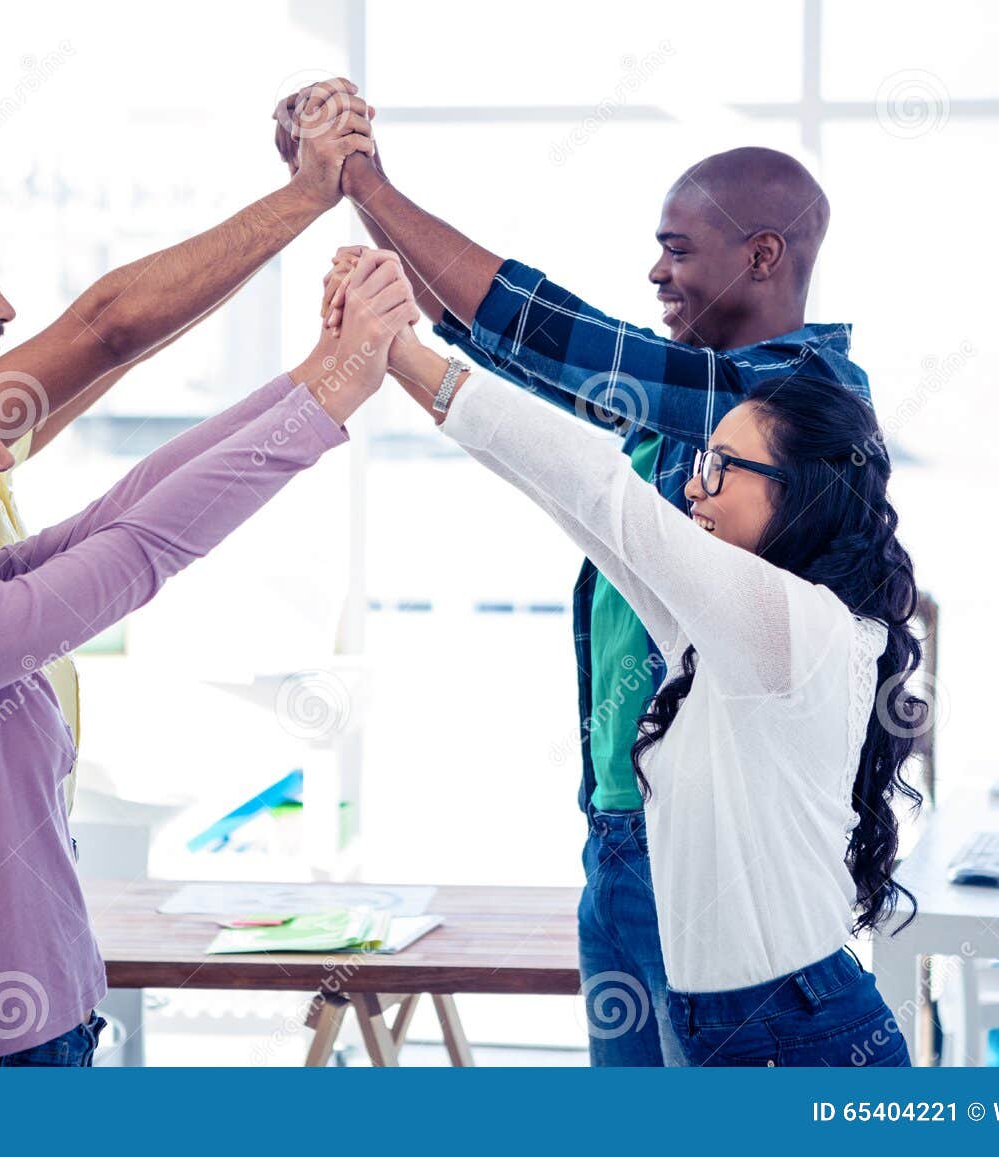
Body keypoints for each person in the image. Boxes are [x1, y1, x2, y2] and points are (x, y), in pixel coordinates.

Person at [278, 81, 871, 1065]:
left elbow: (558, 335)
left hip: (709, 849)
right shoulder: (687, 397)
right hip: (620, 831)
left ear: (763, 254)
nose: (655, 270)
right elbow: (523, 368)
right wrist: (348, 206)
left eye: (677, 249)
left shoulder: (794, 396)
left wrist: (362, 179)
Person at [0, 250, 419, 1065]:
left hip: (32, 1042)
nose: (2, 456)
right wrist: (340, 390)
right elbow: (136, 553)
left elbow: (116, 514)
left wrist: (315, 377)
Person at [0, 79, 375, 1016]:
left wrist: (319, 374)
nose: (5, 308)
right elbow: (109, 332)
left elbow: (112, 506)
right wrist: (310, 193)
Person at [350, 257, 922, 1067]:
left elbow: (600, 492)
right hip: (745, 1027)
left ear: (802, 494)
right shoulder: (723, 638)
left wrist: (408, 351)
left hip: (796, 1039)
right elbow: (579, 512)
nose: (695, 486)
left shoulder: (798, 629)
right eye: (700, 461)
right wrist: (395, 355)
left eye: (722, 467)